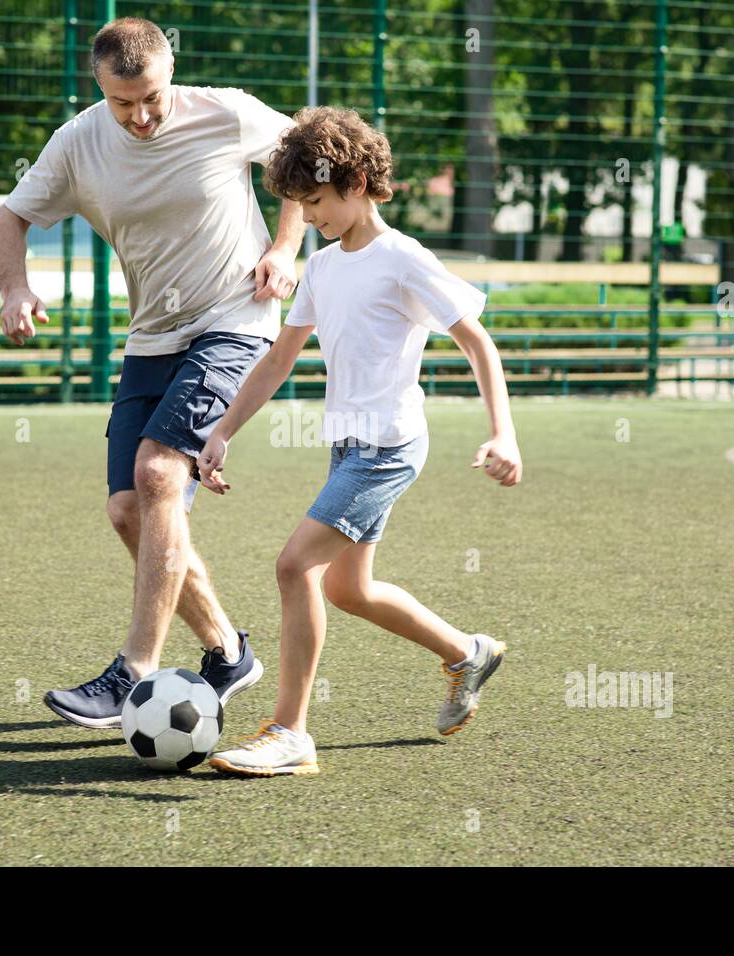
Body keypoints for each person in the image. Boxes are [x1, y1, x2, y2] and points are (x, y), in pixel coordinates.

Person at [0, 17, 306, 728]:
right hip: (151, 338)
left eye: (153, 97)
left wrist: (286, 248)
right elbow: (10, 220)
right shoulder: (77, 142)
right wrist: (14, 288)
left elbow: (304, 161)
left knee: (160, 474)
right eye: (124, 103)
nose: (142, 116)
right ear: (99, 87)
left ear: (171, 73)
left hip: (234, 320)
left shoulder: (223, 110)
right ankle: (228, 653)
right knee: (129, 509)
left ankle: (132, 672)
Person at [195, 106, 522, 776]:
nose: (308, 217)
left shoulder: (403, 258)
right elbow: (279, 360)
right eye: (300, 205)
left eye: (314, 202)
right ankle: (467, 652)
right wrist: (223, 430)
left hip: (388, 448)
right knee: (349, 589)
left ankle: (290, 733)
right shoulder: (320, 269)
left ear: (357, 181)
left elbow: (476, 341)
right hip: (348, 447)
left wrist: (503, 433)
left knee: (294, 567)